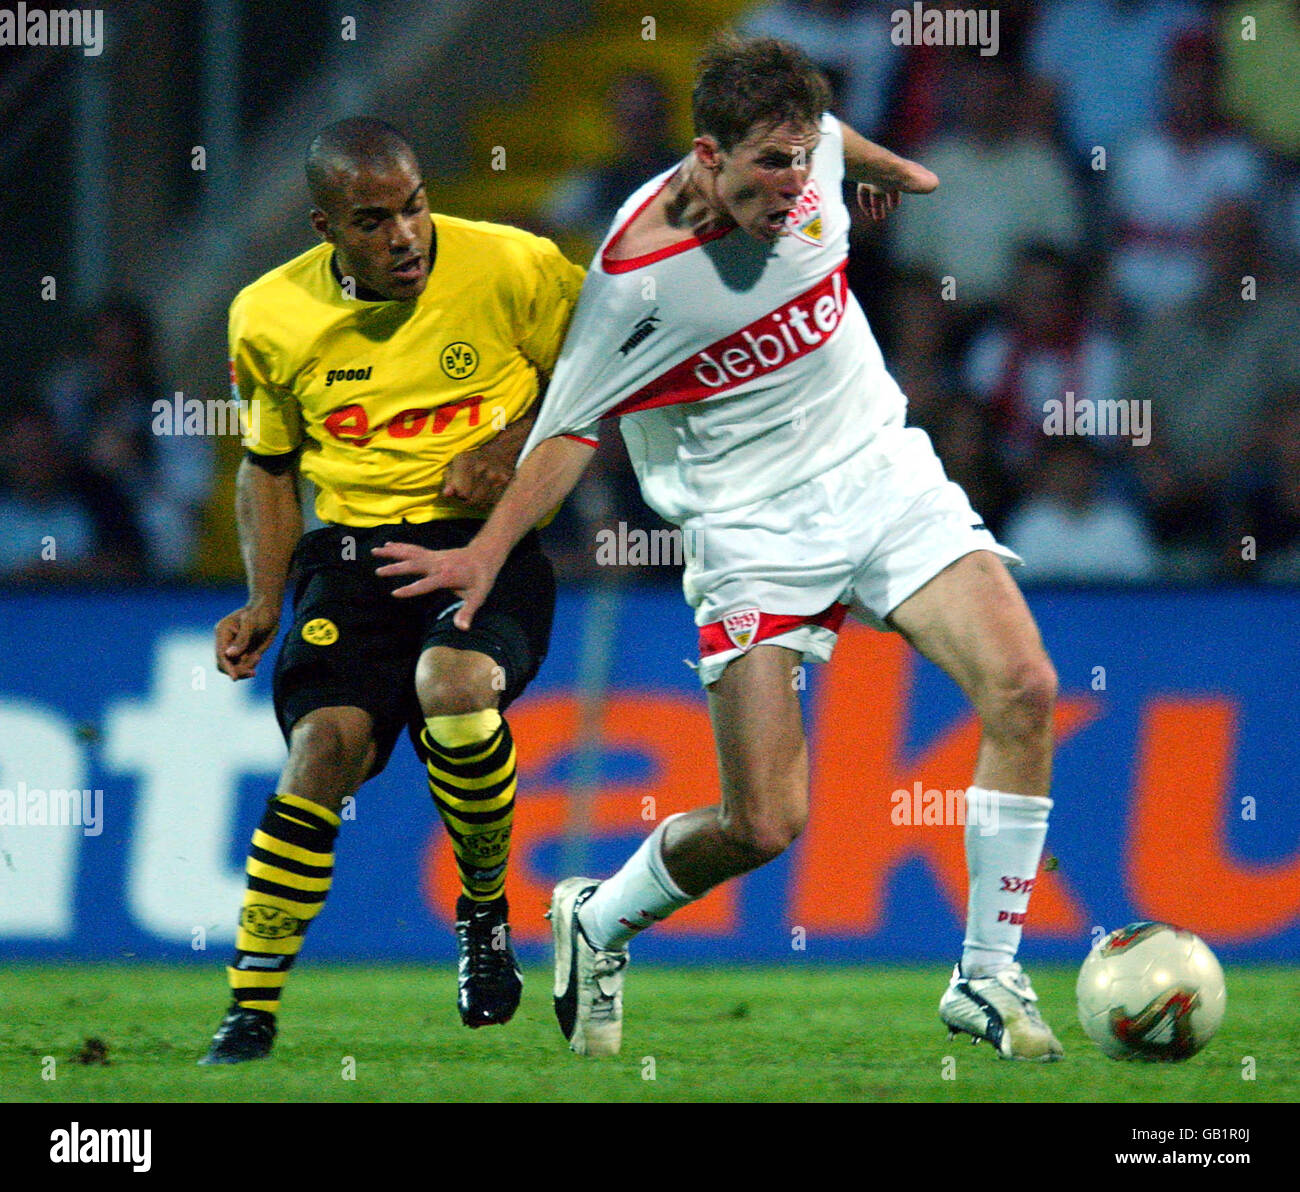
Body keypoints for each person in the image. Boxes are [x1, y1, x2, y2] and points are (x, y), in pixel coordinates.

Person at [375, 36, 1065, 1062]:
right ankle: (598, 921)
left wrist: (894, 171)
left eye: (803, 162)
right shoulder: (633, 279)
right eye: (768, 167)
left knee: (1023, 686)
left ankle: (985, 974)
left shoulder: (812, 153)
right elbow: (568, 431)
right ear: (706, 157)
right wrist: (484, 553)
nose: (793, 188)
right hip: (747, 529)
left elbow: (832, 139)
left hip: (879, 474)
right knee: (763, 822)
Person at [198, 117, 585, 1064]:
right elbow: (270, 466)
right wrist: (261, 595)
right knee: (321, 750)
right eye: (373, 221)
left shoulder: (515, 265)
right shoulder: (267, 315)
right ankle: (249, 1013)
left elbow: (598, 378)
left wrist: (506, 446)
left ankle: (485, 912)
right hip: (355, 558)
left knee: (453, 691)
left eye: (413, 206)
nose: (405, 235)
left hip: (484, 543)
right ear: (325, 226)